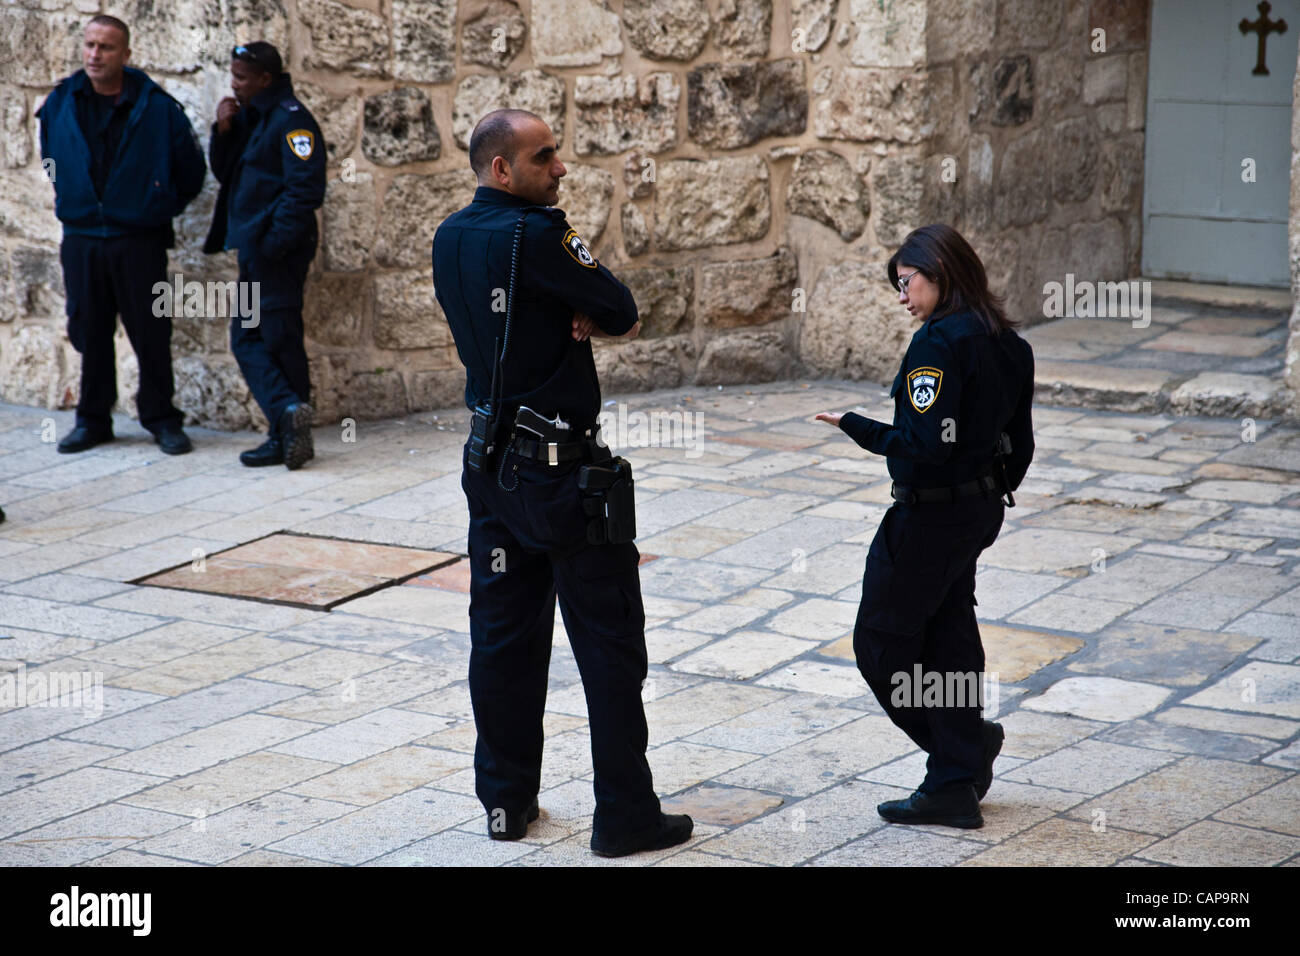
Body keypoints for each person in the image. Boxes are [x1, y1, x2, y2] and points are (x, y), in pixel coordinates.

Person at [432, 108, 693, 858]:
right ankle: (625, 815)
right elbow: (622, 309)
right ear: (501, 170)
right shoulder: (540, 236)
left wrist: (564, 308)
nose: (562, 167)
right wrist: (580, 304)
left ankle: (506, 803)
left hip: (490, 469)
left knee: (503, 641)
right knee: (611, 645)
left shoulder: (451, 236)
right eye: (545, 157)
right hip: (562, 479)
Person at [815, 223, 1034, 829]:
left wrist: (855, 425)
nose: (903, 298)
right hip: (976, 512)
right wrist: (987, 495)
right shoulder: (1009, 343)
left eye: (907, 283)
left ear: (940, 274)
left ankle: (958, 759)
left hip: (930, 515)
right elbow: (1019, 445)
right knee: (949, 635)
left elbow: (921, 446)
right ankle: (961, 760)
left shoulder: (937, 344)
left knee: (881, 643)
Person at [38, 15, 206, 456]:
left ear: (126, 55)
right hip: (82, 238)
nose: (95, 55)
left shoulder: (157, 107)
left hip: (139, 241)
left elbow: (190, 171)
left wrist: (153, 207)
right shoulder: (61, 102)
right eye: (90, 45)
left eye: (106, 48)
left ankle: (161, 419)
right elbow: (51, 158)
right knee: (88, 330)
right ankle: (92, 421)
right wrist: (73, 199)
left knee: (151, 332)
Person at [204, 42, 323, 470]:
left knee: (267, 336)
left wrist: (274, 244)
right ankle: (287, 423)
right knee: (263, 337)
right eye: (233, 75)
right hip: (257, 248)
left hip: (276, 252)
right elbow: (227, 173)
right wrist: (223, 131)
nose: (233, 84)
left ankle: (287, 416)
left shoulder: (293, 122)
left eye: (241, 77)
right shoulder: (253, 117)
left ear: (265, 80)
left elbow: (305, 189)